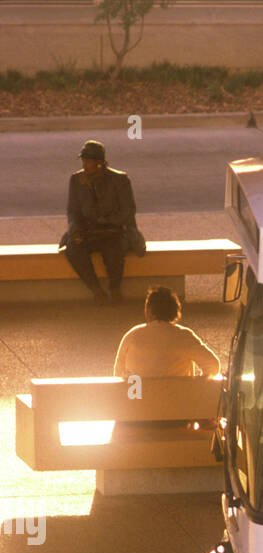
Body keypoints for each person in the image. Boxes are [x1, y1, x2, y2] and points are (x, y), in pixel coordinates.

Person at [59, 140, 145, 306]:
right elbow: (73, 210)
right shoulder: (77, 180)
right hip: (89, 231)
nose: (84, 165)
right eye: (83, 161)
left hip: (113, 230)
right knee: (73, 248)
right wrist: (75, 229)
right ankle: (96, 290)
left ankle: (115, 288)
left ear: (100, 163)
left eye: (88, 161)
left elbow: (127, 212)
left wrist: (103, 221)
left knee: (114, 250)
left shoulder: (119, 180)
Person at [114, 286, 221, 378]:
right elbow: (213, 366)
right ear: (174, 311)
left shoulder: (132, 335)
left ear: (149, 311)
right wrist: (195, 386)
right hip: (177, 400)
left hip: (137, 398)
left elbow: (118, 374)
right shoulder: (184, 336)